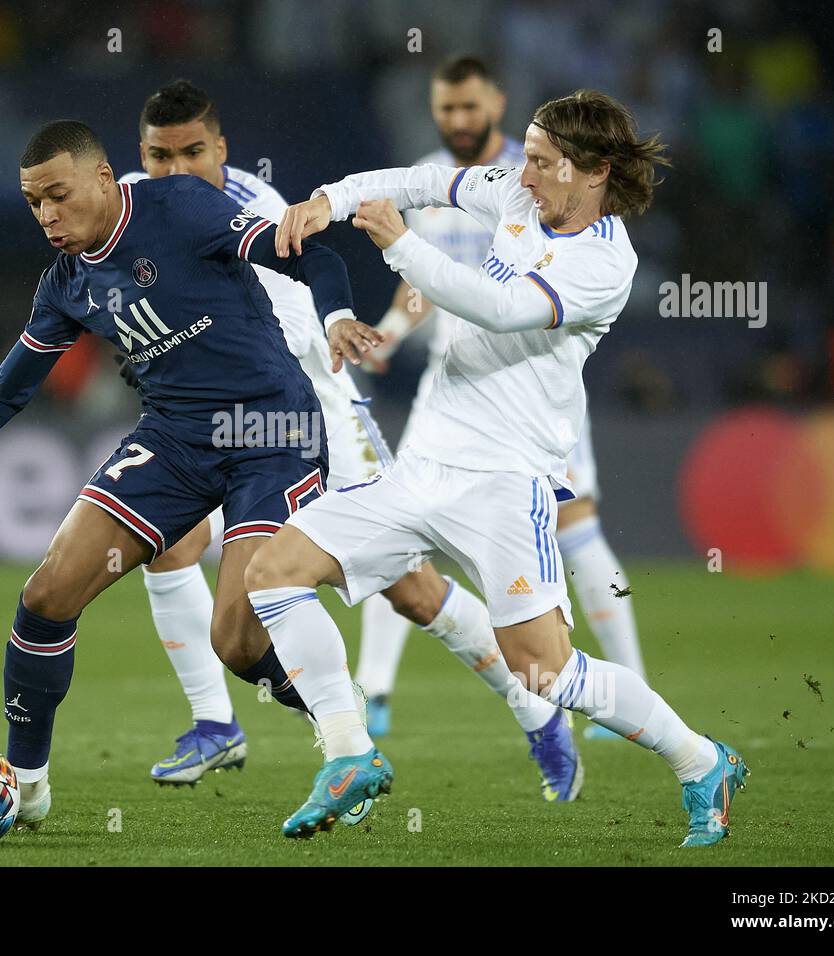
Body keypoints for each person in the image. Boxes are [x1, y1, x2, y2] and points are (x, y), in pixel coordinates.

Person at [0, 118, 382, 830]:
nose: (48, 216)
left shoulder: (180, 205)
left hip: (269, 432)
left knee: (239, 640)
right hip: (177, 438)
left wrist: (337, 317)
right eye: (34, 203)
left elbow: (313, 256)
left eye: (58, 195)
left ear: (102, 179)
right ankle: (26, 788)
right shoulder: (66, 283)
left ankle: (346, 739)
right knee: (48, 592)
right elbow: (2, 393)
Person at [249, 90, 749, 847]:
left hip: (506, 481)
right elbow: (416, 185)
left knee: (544, 673)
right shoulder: (516, 189)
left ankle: (701, 759)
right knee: (273, 571)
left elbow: (501, 307)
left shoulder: (604, 262)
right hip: (424, 464)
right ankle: (351, 752)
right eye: (528, 153)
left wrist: (398, 246)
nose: (526, 171)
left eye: (545, 162)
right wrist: (332, 200)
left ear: (594, 172)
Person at [124, 79, 580, 808]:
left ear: (223, 150)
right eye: (159, 157)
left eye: (194, 154)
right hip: (215, 421)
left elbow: (296, 325)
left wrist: (335, 318)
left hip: (314, 415)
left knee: (412, 590)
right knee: (168, 544)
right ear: (139, 156)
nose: (177, 173)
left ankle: (535, 709)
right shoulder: (129, 203)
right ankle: (215, 722)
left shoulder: (255, 215)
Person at [361, 57, 647, 743]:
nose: (456, 121)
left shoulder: (543, 173)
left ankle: (629, 680)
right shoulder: (443, 176)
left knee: (578, 529)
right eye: (445, 109)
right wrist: (393, 333)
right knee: (399, 520)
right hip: (456, 387)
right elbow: (421, 283)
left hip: (534, 390)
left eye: (468, 107)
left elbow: (512, 299)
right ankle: (374, 689)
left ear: (495, 104)